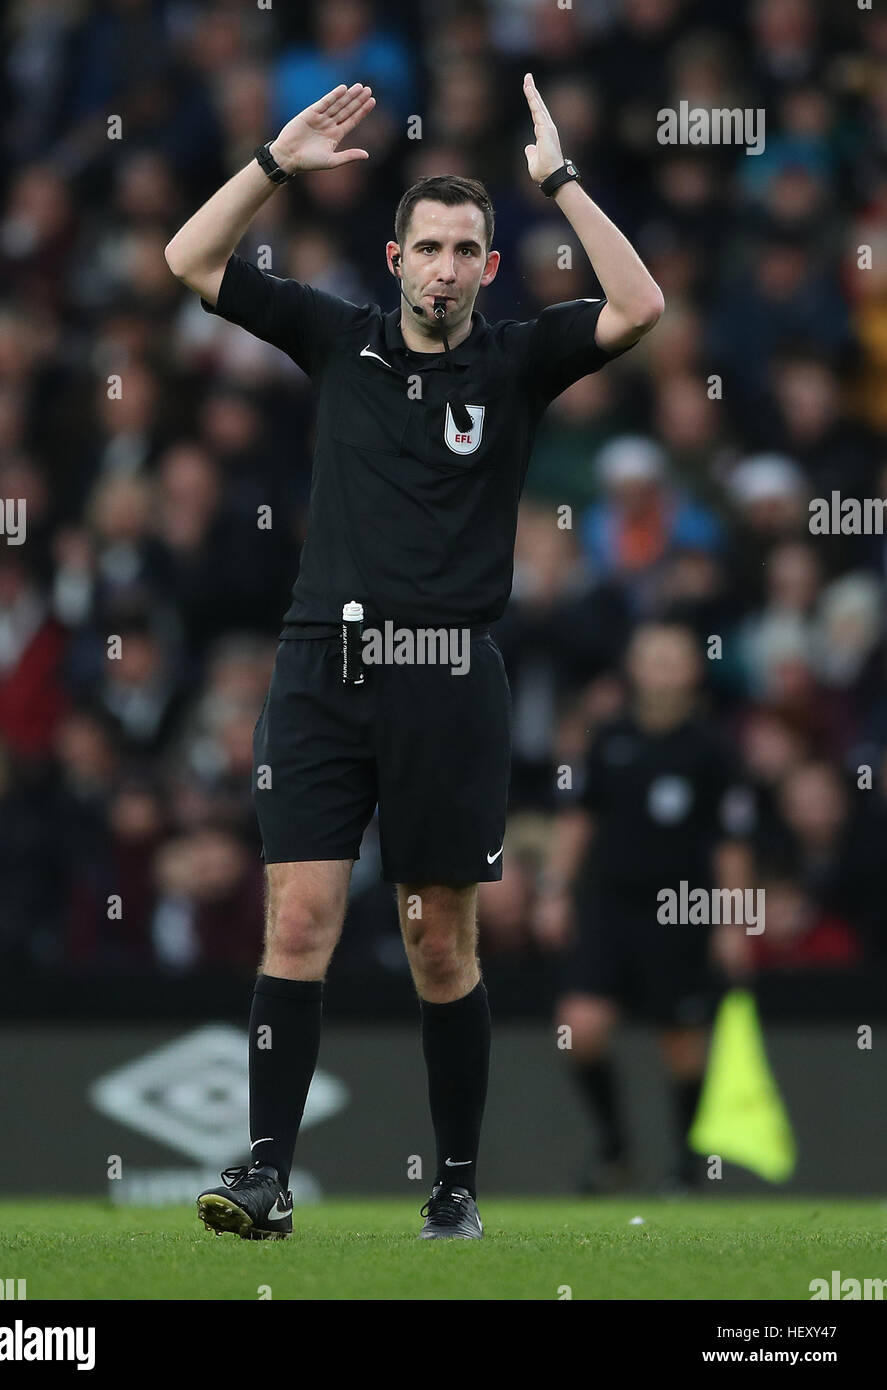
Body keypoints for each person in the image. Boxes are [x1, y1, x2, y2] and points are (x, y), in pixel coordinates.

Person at [164, 76, 663, 1239]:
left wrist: (561, 183)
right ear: (392, 258)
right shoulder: (335, 339)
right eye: (426, 246)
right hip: (319, 668)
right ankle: (264, 1175)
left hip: (448, 675)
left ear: (491, 268)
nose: (443, 266)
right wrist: (274, 164)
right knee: (296, 923)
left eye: (465, 250)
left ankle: (452, 1183)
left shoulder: (518, 360)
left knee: (441, 943)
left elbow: (637, 307)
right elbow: (189, 263)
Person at [534, 623, 755, 1193]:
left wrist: (732, 922)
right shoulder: (607, 738)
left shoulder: (713, 749)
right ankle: (615, 1149)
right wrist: (556, 890)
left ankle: (686, 1164)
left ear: (692, 670)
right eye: (648, 658)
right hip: (609, 904)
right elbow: (577, 818)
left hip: (682, 909)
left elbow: (732, 843)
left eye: (670, 658)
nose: (658, 669)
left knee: (681, 1042)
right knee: (580, 1027)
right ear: (632, 668)